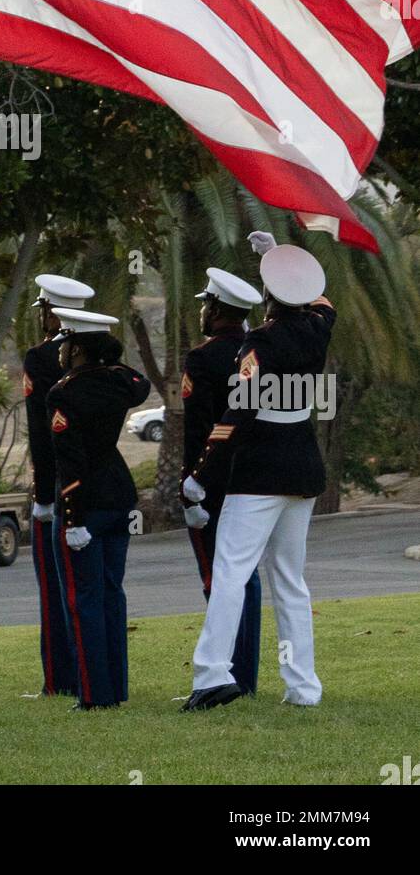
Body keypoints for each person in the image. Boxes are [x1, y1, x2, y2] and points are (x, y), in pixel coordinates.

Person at [181, 234, 335, 712]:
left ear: (267, 296)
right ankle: (303, 686)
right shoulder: (319, 326)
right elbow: (320, 298)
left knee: (230, 571)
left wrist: (201, 475)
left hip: (260, 469)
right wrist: (277, 258)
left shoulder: (259, 343)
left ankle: (211, 673)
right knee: (290, 579)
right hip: (302, 465)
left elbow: (237, 414)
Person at [47, 308, 151, 710]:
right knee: (111, 593)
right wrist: (108, 355)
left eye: (66, 343)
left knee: (83, 599)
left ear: (77, 350)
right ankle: (116, 688)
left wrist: (71, 518)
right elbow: (138, 381)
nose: (60, 350)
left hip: (84, 504)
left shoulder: (64, 392)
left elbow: (68, 459)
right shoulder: (121, 383)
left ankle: (93, 695)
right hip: (118, 495)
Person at [180, 268, 263, 697]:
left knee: (219, 579)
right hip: (253, 478)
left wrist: (190, 483)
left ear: (214, 309)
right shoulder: (256, 352)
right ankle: (245, 676)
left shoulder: (203, 358)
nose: (201, 311)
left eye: (204, 304)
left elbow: (199, 431)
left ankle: (222, 676)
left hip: (213, 481)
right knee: (247, 577)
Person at [24, 273, 95, 697]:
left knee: (54, 589)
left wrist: (43, 493)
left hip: (58, 484)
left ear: (52, 314)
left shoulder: (40, 358)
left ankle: (61, 678)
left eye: (43, 311)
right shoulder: (103, 353)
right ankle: (93, 670)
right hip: (97, 479)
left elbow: (41, 430)